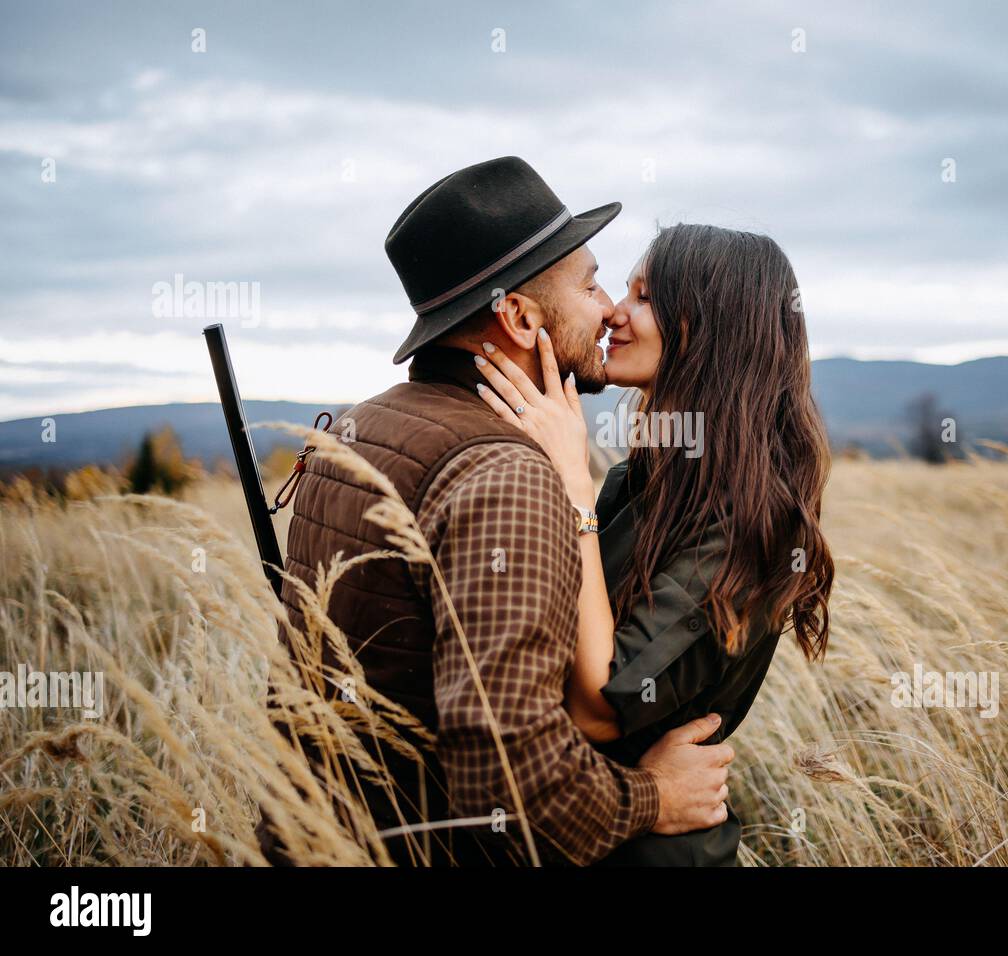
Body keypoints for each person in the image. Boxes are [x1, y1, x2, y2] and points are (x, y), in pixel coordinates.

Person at [258, 157, 732, 866]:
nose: (608, 310)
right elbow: (509, 776)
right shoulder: (504, 473)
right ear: (518, 314)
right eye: (592, 283)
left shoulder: (357, 428)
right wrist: (654, 797)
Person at [474, 222, 835, 864]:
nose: (614, 309)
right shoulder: (647, 480)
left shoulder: (752, 524)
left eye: (644, 297)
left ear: (705, 329)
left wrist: (573, 489)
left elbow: (602, 706)